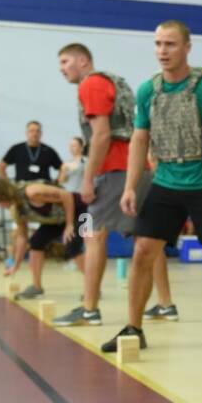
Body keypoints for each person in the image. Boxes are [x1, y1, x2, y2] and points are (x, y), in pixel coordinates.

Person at [103, 20, 202, 354]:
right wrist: (129, 187)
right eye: (158, 44)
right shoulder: (147, 91)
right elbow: (139, 139)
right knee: (143, 251)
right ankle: (133, 328)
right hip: (166, 181)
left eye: (170, 44)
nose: (162, 51)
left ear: (187, 47)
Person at [53, 44, 147, 327]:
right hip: (139, 167)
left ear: (83, 61)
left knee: (92, 235)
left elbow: (101, 135)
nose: (62, 68)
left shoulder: (91, 84)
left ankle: (90, 309)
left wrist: (87, 177)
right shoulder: (112, 80)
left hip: (115, 168)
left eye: (65, 61)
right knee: (146, 240)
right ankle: (166, 304)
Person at [0, 176, 79, 295]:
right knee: (36, 242)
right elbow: (22, 238)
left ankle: (93, 289)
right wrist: (15, 265)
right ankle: (37, 287)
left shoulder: (32, 192)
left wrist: (69, 224)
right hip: (56, 220)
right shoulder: (16, 209)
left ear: (3, 196)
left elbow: (66, 195)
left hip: (79, 211)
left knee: (74, 247)